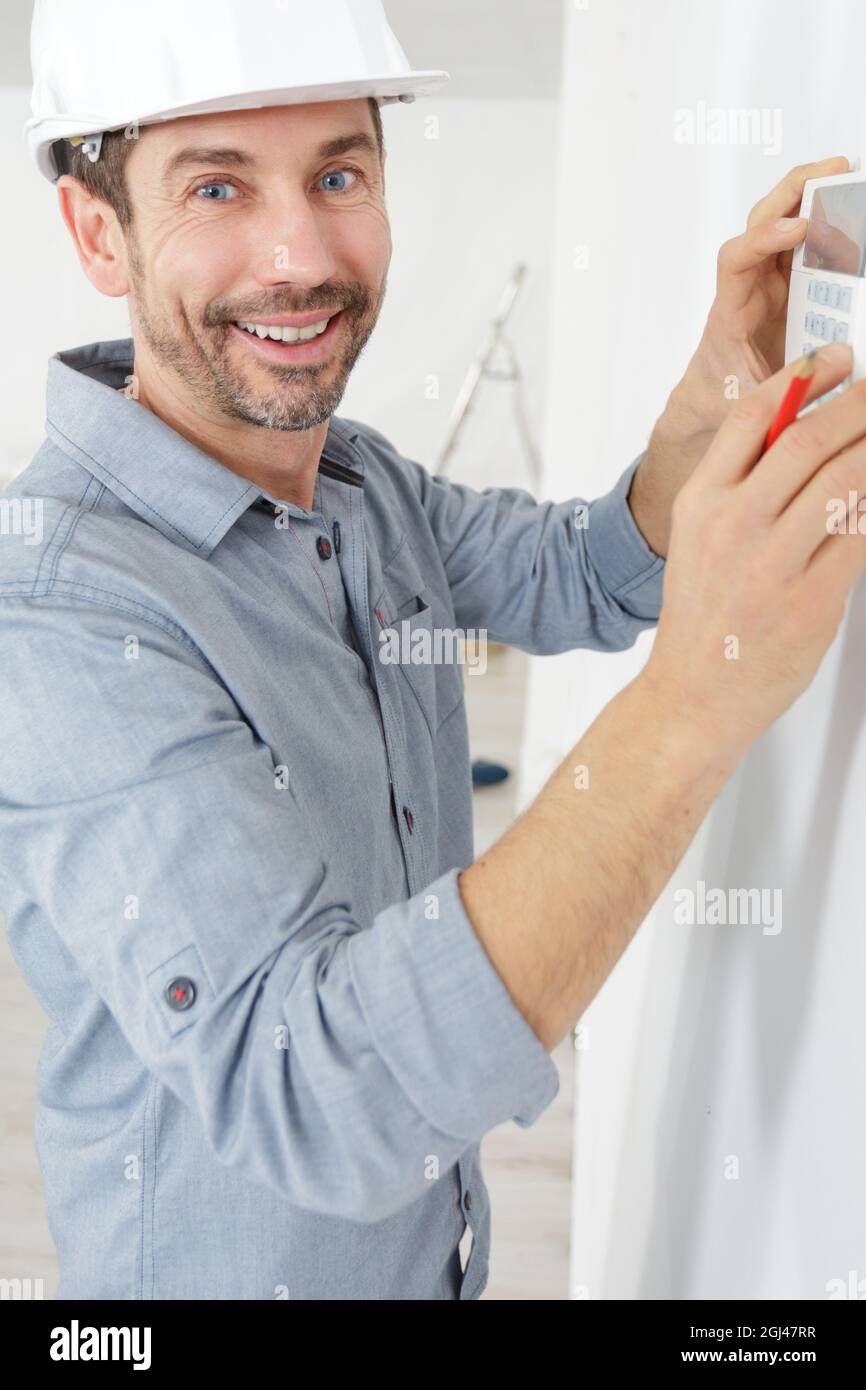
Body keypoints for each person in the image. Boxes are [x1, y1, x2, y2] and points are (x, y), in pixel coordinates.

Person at [3, 0, 865, 1300]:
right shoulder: (57, 610)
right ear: (97, 233)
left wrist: (720, 391)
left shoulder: (356, 484)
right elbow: (318, 1089)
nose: (297, 253)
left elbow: (579, 568)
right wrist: (697, 697)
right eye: (217, 186)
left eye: (337, 173)